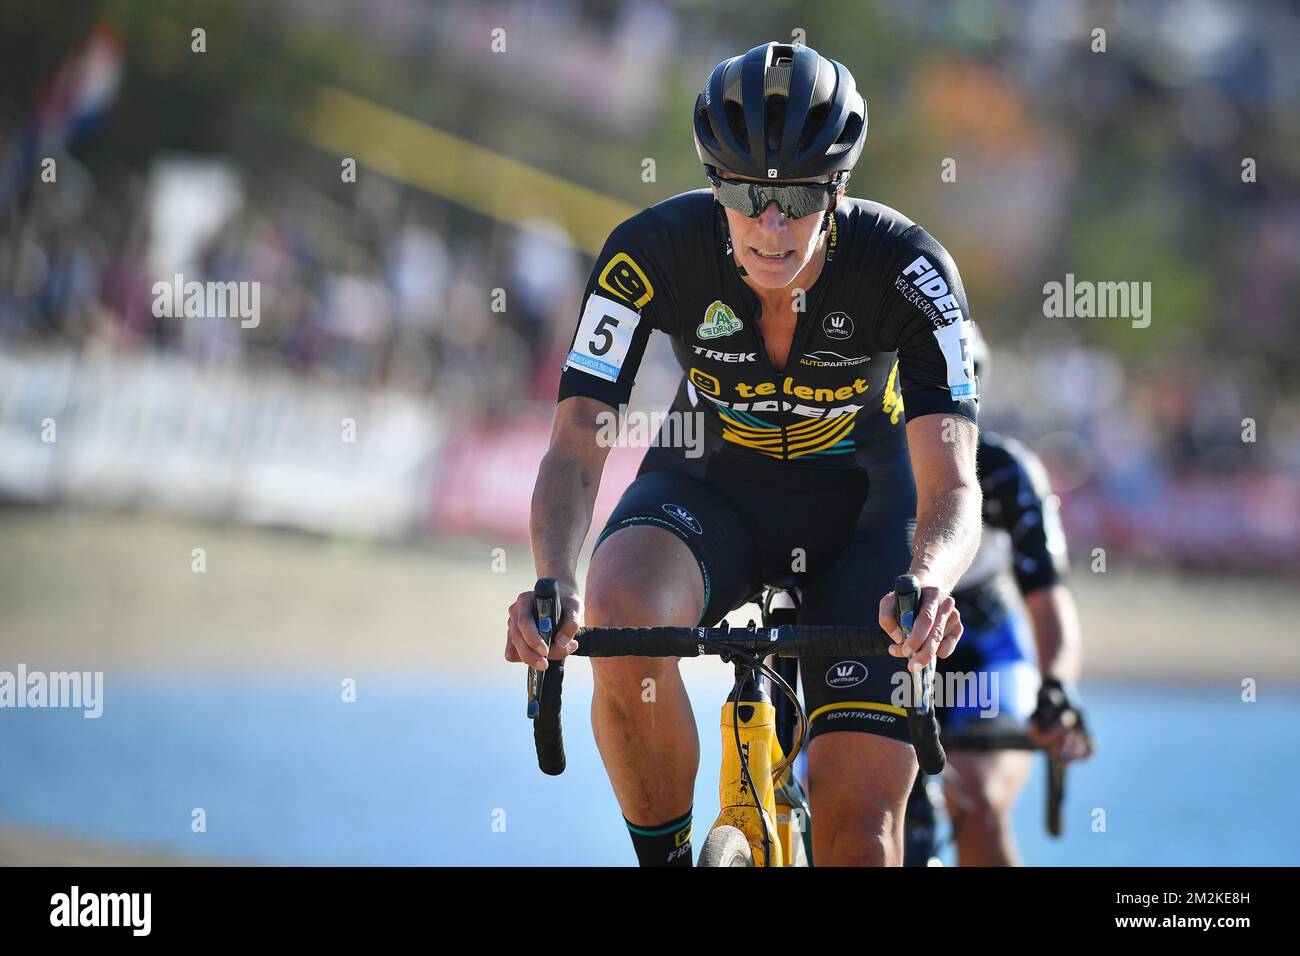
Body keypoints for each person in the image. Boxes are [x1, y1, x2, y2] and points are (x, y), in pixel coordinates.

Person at [505, 41, 982, 866]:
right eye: (745, 194)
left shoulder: (909, 270)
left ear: (836, 190)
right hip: (711, 493)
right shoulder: (649, 252)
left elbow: (953, 483)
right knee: (619, 607)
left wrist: (931, 581)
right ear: (713, 187)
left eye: (796, 196)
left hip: (867, 522)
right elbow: (577, 444)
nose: (770, 223)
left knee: (858, 834)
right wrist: (555, 580)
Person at [912, 321, 1095, 866]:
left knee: (978, 804)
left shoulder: (1008, 472)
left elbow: (1047, 597)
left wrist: (1057, 686)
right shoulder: (857, 463)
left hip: (983, 653)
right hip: (884, 651)